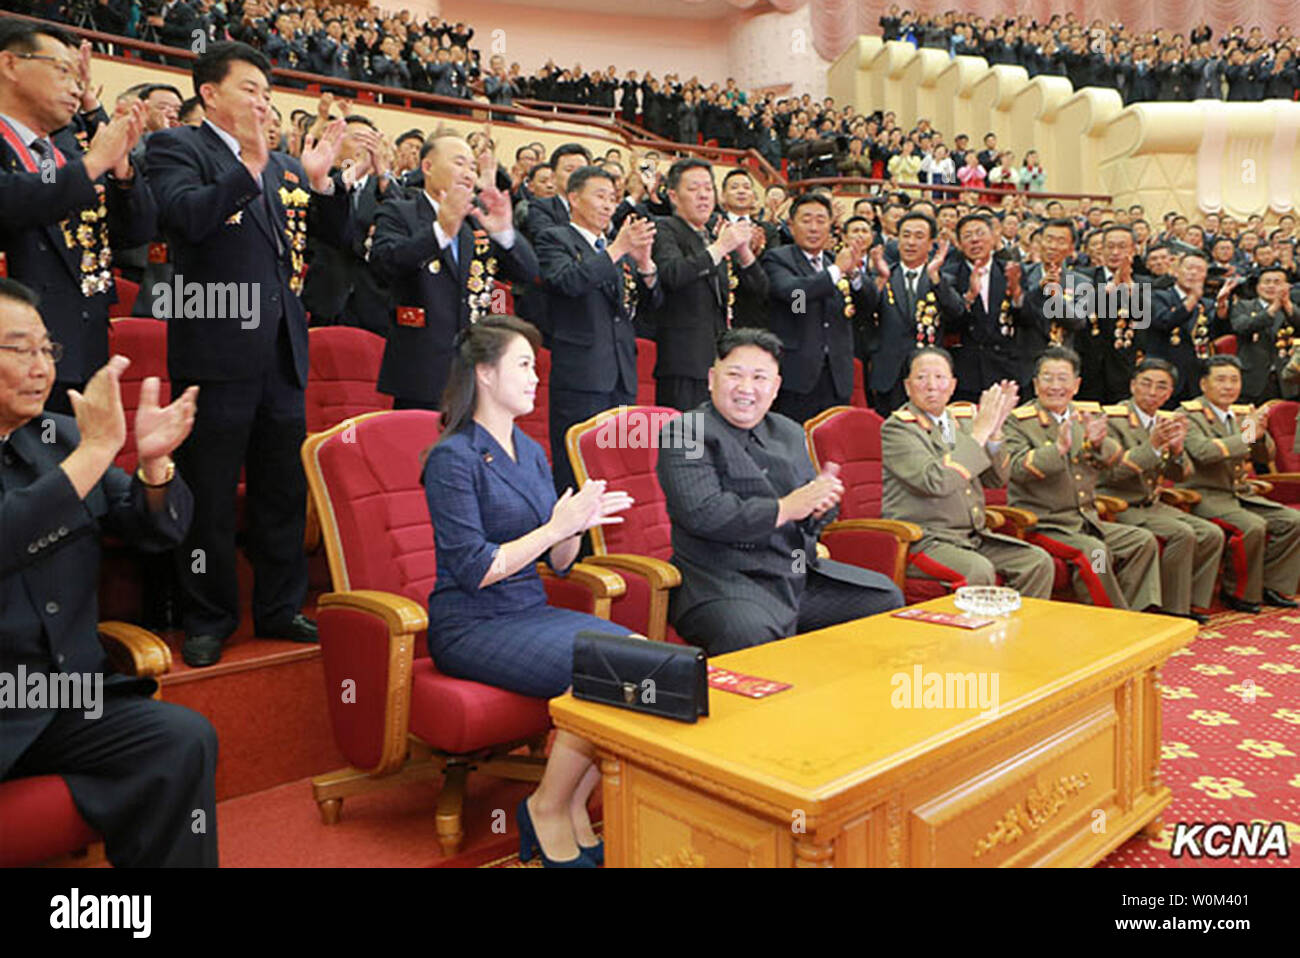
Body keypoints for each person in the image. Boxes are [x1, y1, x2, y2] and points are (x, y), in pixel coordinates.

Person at [145, 41, 352, 667]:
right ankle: (208, 616)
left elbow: (335, 240)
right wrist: (247, 169)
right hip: (214, 351)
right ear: (209, 93)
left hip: (282, 352)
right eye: (249, 89)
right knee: (208, 493)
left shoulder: (284, 164)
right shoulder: (178, 148)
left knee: (281, 491)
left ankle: (279, 606)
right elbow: (185, 218)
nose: (262, 101)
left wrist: (323, 186)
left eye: (267, 92)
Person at [0, 276, 215, 866]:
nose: (42, 366)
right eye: (20, 350)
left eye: (48, 349)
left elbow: (157, 530)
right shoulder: (82, 446)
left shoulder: (59, 437)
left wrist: (152, 464)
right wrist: (96, 452)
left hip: (64, 698)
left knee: (182, 739)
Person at [423, 316, 633, 868]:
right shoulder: (453, 457)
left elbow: (559, 565)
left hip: (528, 610)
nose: (536, 378)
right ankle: (544, 808)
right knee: (608, 670)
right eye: (523, 365)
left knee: (643, 660)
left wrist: (577, 525)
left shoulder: (532, 450)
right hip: (472, 622)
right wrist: (554, 528)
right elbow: (474, 569)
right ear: (485, 374)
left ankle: (568, 805)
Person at [656, 328, 903, 655]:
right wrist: (786, 508)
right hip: (721, 581)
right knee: (749, 632)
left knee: (883, 599)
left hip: (794, 575)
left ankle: (834, 696)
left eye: (759, 378)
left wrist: (821, 506)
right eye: (734, 375)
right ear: (712, 379)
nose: (746, 388)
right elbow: (704, 513)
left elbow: (809, 511)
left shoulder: (787, 430)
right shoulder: (687, 431)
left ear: (775, 388)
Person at [0, 19, 157, 414]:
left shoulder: (62, 155)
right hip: (13, 355)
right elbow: (13, 200)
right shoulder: (72, 163)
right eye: (63, 71)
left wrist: (122, 174)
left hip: (81, 349)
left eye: (79, 76)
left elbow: (135, 232)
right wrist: (93, 164)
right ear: (11, 65)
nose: (75, 88)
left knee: (76, 467)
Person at [371, 132, 539, 411]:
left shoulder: (478, 220)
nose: (468, 173)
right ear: (427, 167)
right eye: (459, 163)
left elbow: (528, 273)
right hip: (422, 368)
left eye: (472, 167)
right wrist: (440, 231)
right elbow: (385, 264)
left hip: (476, 368)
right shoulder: (400, 211)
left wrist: (505, 233)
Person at [881, 348, 1054, 596]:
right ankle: (975, 635)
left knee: (1037, 562)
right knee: (977, 570)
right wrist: (980, 433)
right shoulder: (898, 429)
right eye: (921, 378)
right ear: (908, 387)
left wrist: (995, 432)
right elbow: (936, 481)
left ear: (952, 386)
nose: (931, 386)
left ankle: (1017, 633)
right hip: (925, 541)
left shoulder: (958, 423)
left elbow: (997, 480)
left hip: (972, 536)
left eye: (940, 378)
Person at [1004, 346, 1161, 610]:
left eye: (1063, 379)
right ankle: (1109, 619)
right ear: (1035, 383)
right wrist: (1057, 450)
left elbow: (1114, 464)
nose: (1055, 386)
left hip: (1086, 520)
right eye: (1048, 378)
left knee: (1141, 541)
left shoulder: (1084, 416)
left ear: (1076, 385)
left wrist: (1099, 443)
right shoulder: (1018, 422)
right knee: (1096, 553)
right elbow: (1016, 469)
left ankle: (1139, 615)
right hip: (1044, 524)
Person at [535, 166, 660, 492]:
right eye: (600, 197)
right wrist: (617, 250)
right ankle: (576, 541)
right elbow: (567, 282)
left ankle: (612, 539)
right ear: (574, 198)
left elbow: (650, 307)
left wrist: (645, 264)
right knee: (577, 464)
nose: (608, 206)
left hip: (622, 373)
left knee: (616, 463)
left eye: (613, 199)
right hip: (581, 374)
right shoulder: (555, 238)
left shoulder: (616, 246)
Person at [1098, 359, 1225, 623]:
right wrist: (1156, 446)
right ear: (1132, 386)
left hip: (1177, 501)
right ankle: (1172, 609)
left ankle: (1194, 602)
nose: (1153, 392)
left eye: (1161, 387)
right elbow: (1113, 472)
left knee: (1213, 533)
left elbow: (1183, 473)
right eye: (1146, 384)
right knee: (1186, 533)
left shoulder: (1240, 416)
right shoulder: (1113, 420)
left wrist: (1177, 451)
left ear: (1169, 393)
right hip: (1122, 503)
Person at [645, 158, 768, 411]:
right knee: (686, 443)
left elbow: (760, 290)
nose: (703, 196)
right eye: (693, 189)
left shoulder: (713, 236)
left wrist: (743, 250)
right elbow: (672, 275)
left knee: (712, 443)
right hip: (684, 361)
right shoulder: (665, 228)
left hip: (718, 361)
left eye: (708, 189)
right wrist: (721, 247)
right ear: (673, 196)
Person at [1181, 355, 1300, 611]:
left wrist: (1258, 436)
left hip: (1240, 493)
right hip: (1205, 494)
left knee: (1292, 521)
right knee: (1251, 526)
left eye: (1234, 380)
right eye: (1221, 380)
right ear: (1204, 384)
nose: (1228, 386)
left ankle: (1274, 585)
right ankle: (1238, 592)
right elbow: (1204, 452)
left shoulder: (1241, 413)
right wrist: (1248, 436)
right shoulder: (1189, 414)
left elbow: (1265, 456)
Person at [760, 193, 869, 423]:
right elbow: (796, 298)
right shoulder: (778, 258)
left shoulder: (834, 260)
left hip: (837, 374)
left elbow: (867, 307)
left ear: (830, 226)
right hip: (798, 375)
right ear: (791, 225)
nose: (813, 228)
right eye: (806, 220)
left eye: (821, 221)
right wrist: (836, 272)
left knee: (833, 447)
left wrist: (856, 275)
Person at [301, 115, 398, 335]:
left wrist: (383, 173)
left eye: (370, 139)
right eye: (357, 138)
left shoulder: (387, 189)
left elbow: (401, 224)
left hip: (374, 306)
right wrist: (352, 174)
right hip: (326, 299)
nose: (364, 145)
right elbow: (326, 222)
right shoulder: (319, 181)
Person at [859, 212, 962, 414]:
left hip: (928, 376)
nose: (911, 242)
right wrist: (879, 281)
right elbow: (863, 313)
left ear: (932, 243)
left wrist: (935, 277)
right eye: (905, 235)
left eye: (918, 236)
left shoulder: (942, 279)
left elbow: (957, 313)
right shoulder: (882, 274)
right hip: (888, 374)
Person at [940, 214, 1029, 399]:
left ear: (994, 237)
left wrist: (1017, 294)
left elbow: (1027, 320)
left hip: (1005, 368)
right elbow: (949, 323)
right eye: (967, 235)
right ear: (959, 243)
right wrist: (969, 297)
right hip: (965, 370)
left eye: (980, 233)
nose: (975, 240)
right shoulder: (948, 276)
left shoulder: (1011, 271)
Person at [1148, 251, 1233, 405]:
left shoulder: (1206, 304)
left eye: (1199, 270)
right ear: (1176, 272)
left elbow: (1216, 334)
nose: (1193, 273)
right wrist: (1192, 299)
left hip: (1196, 376)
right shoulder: (1158, 296)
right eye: (1189, 268)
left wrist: (1221, 309)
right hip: (1165, 374)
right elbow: (1164, 322)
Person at [1231, 266, 1298, 405]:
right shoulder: (1244, 306)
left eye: (1277, 282)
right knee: (1249, 425)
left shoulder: (1291, 308)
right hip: (1252, 379)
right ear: (1258, 286)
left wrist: (1286, 304)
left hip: (1286, 379)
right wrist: (1273, 308)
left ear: (1287, 287)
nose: (1271, 286)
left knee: (1286, 423)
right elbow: (1242, 326)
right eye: (1267, 282)